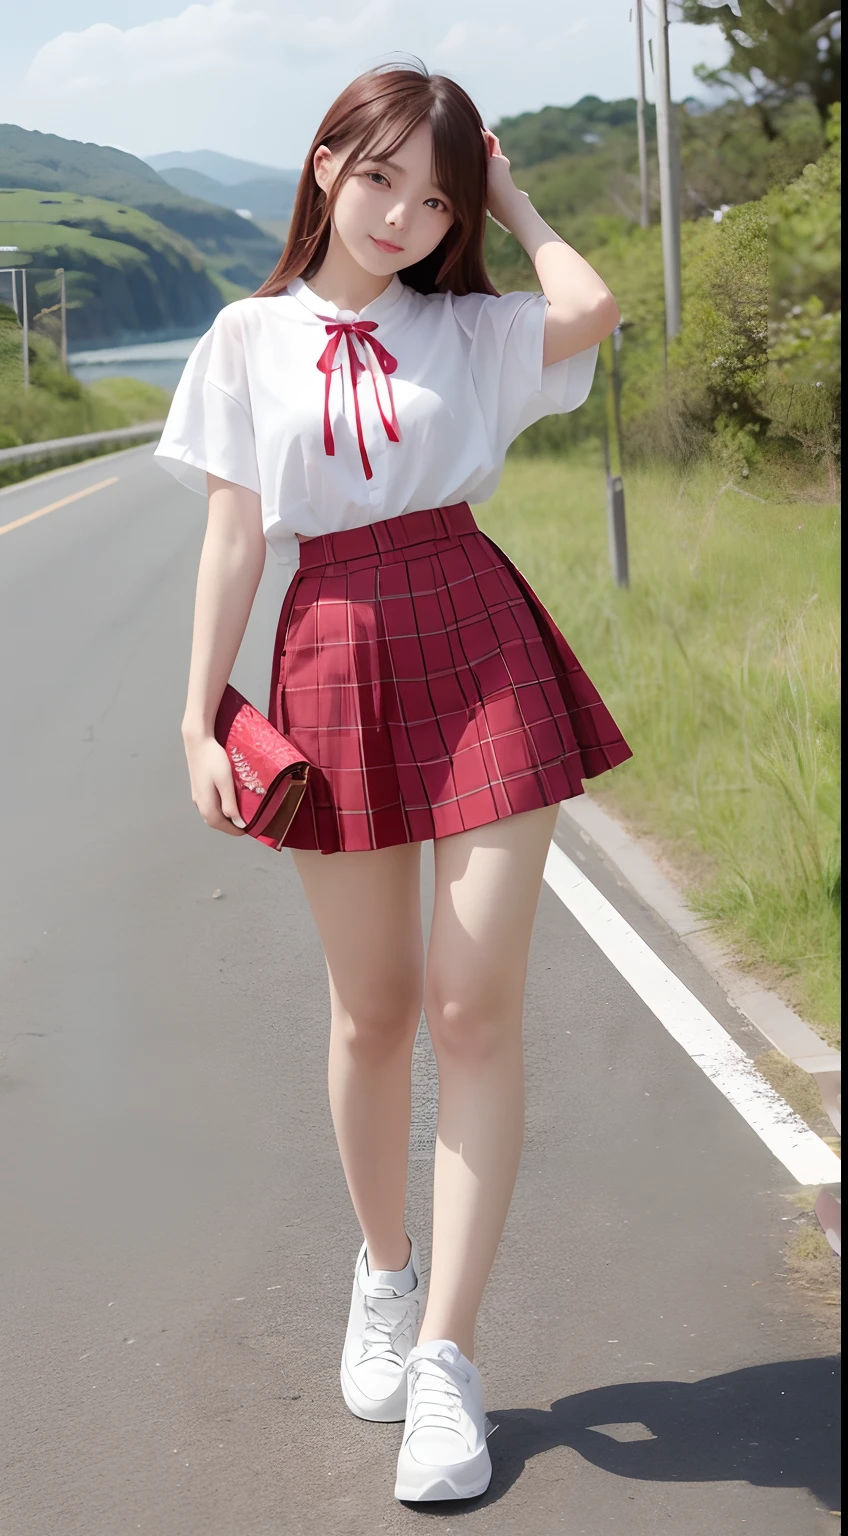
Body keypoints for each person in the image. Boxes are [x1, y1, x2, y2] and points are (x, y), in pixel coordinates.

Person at [154, 60, 631, 1505]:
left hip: (475, 632)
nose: (403, 219)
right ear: (322, 167)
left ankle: (447, 1361)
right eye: (379, 183)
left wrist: (513, 196)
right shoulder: (248, 339)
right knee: (371, 1011)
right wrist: (197, 719)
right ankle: (383, 1270)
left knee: (473, 1004)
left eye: (434, 199)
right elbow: (238, 536)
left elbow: (593, 311)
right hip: (331, 648)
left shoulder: (474, 328)